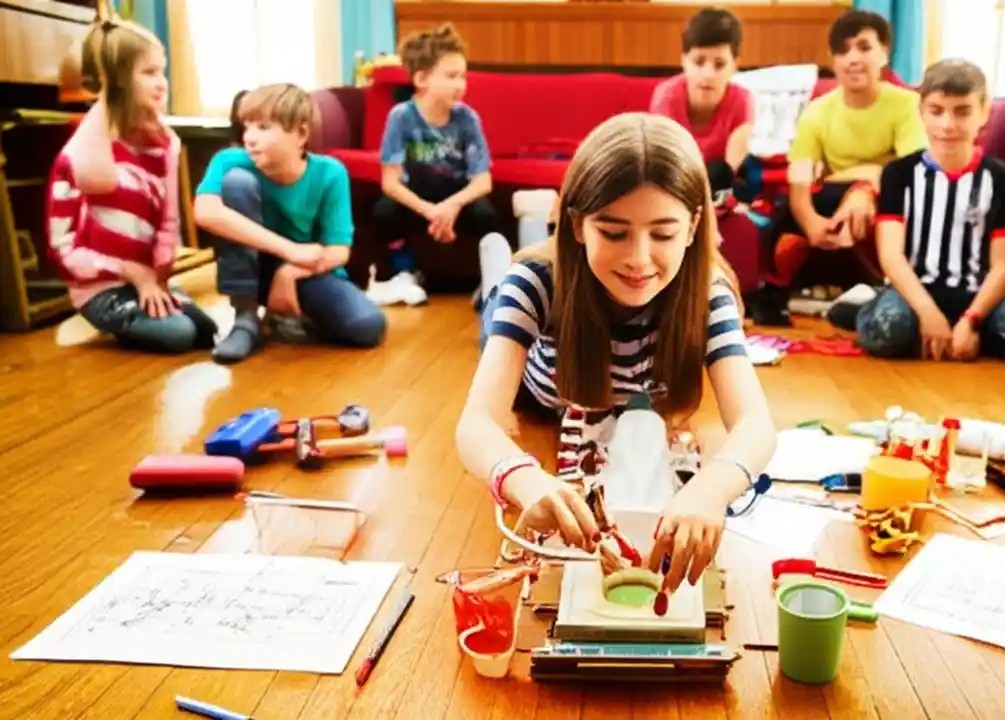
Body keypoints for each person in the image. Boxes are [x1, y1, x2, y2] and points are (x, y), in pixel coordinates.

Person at [456, 113, 776, 598]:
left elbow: (755, 424)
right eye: (614, 232)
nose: (639, 259)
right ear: (579, 225)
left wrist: (711, 488)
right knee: (502, 306)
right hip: (547, 391)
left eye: (663, 235)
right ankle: (495, 274)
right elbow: (478, 421)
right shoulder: (536, 287)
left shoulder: (710, 292)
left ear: (692, 227)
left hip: (633, 400)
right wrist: (525, 480)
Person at [828, 59, 1005, 362]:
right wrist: (928, 314)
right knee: (889, 331)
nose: (948, 125)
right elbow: (891, 256)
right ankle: (872, 310)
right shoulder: (899, 174)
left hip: (976, 299)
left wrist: (971, 319)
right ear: (922, 112)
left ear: (984, 112)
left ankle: (959, 335)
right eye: (937, 111)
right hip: (911, 296)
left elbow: (1003, 266)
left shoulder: (1000, 179)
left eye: (962, 112)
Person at [45, 13, 218, 353]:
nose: (161, 82)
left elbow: (169, 221)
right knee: (178, 335)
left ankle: (140, 309)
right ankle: (98, 316)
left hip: (145, 279)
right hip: (101, 286)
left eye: (162, 71)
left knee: (204, 330)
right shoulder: (78, 156)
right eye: (149, 72)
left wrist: (157, 276)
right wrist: (131, 272)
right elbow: (60, 248)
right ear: (119, 81)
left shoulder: (162, 145)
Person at [754, 9, 928, 325]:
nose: (853, 59)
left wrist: (866, 189)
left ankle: (885, 293)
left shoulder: (906, 104)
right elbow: (800, 180)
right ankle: (773, 297)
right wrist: (810, 224)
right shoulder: (817, 112)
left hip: (893, 197)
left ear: (884, 54)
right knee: (786, 214)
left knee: (889, 196)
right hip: (836, 200)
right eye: (843, 51)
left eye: (864, 47)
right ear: (833, 60)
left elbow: (910, 172)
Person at [194, 83, 387, 364]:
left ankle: (291, 319)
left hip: (304, 271)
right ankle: (245, 320)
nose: (249, 138)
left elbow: (338, 250)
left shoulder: (330, 173)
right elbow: (206, 213)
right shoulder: (229, 161)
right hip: (252, 269)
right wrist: (288, 250)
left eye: (263, 127)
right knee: (236, 183)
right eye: (246, 126)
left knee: (368, 326)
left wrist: (289, 272)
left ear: (300, 134)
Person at [367, 23, 500, 307]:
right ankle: (406, 271)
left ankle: (490, 281)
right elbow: (390, 182)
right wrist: (430, 211)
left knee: (486, 214)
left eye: (463, 76)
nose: (460, 85)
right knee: (385, 211)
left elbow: (483, 181)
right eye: (451, 76)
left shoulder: (468, 118)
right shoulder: (401, 117)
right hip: (418, 195)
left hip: (457, 194)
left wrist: (451, 206)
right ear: (421, 78)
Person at [649, 7, 754, 198]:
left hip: (717, 194)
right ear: (684, 61)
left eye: (719, 64)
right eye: (698, 62)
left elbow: (732, 172)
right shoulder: (666, 97)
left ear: (735, 65)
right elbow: (663, 167)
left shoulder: (743, 100)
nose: (708, 74)